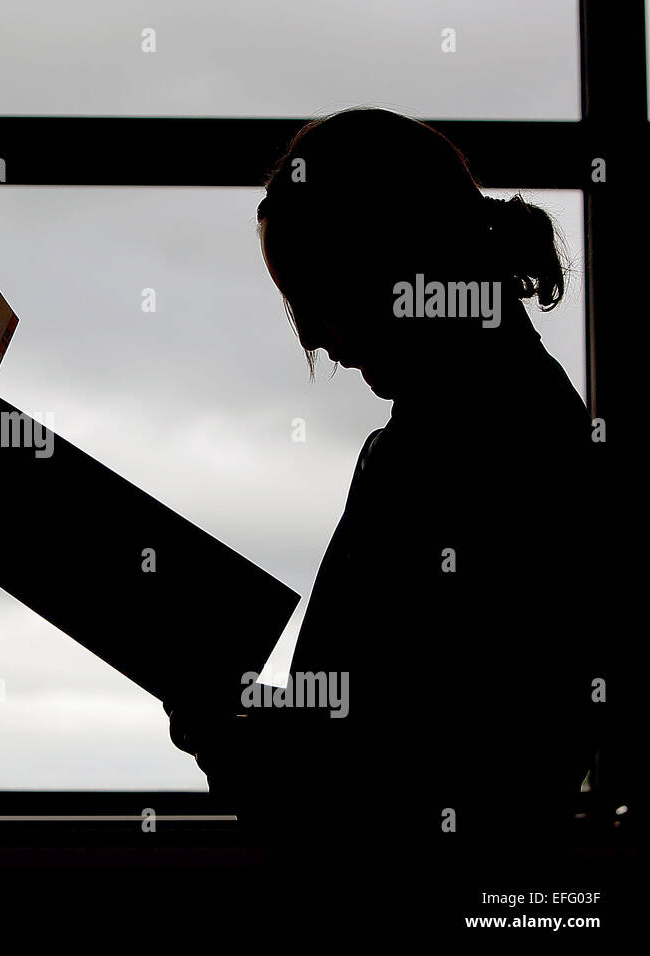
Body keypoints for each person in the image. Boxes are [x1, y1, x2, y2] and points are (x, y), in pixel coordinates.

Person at [166, 109, 600, 845]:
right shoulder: (518, 422)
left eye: (319, 297)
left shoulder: (445, 455)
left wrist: (235, 739)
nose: (318, 340)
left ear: (391, 265)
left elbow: (392, 784)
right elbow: (404, 729)